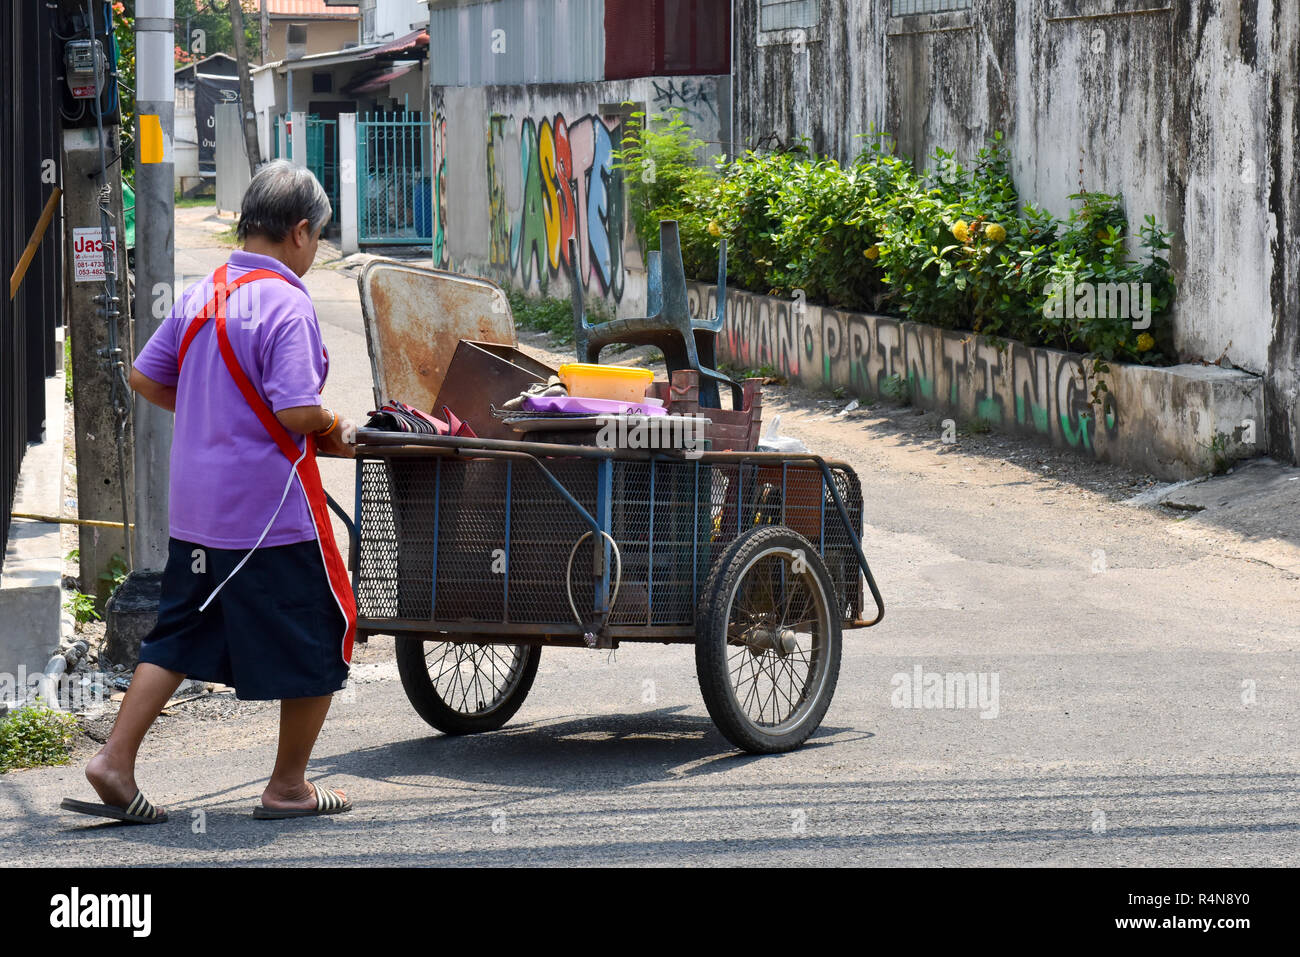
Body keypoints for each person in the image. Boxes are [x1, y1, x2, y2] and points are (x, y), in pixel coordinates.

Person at [62, 161, 359, 824]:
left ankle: (114, 758)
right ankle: (288, 787)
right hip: (264, 517)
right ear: (302, 233)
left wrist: (208, 412)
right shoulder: (286, 303)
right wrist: (339, 426)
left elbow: (146, 378)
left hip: (197, 511)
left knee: (179, 631)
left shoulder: (202, 293)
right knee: (326, 626)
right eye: (319, 240)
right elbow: (296, 412)